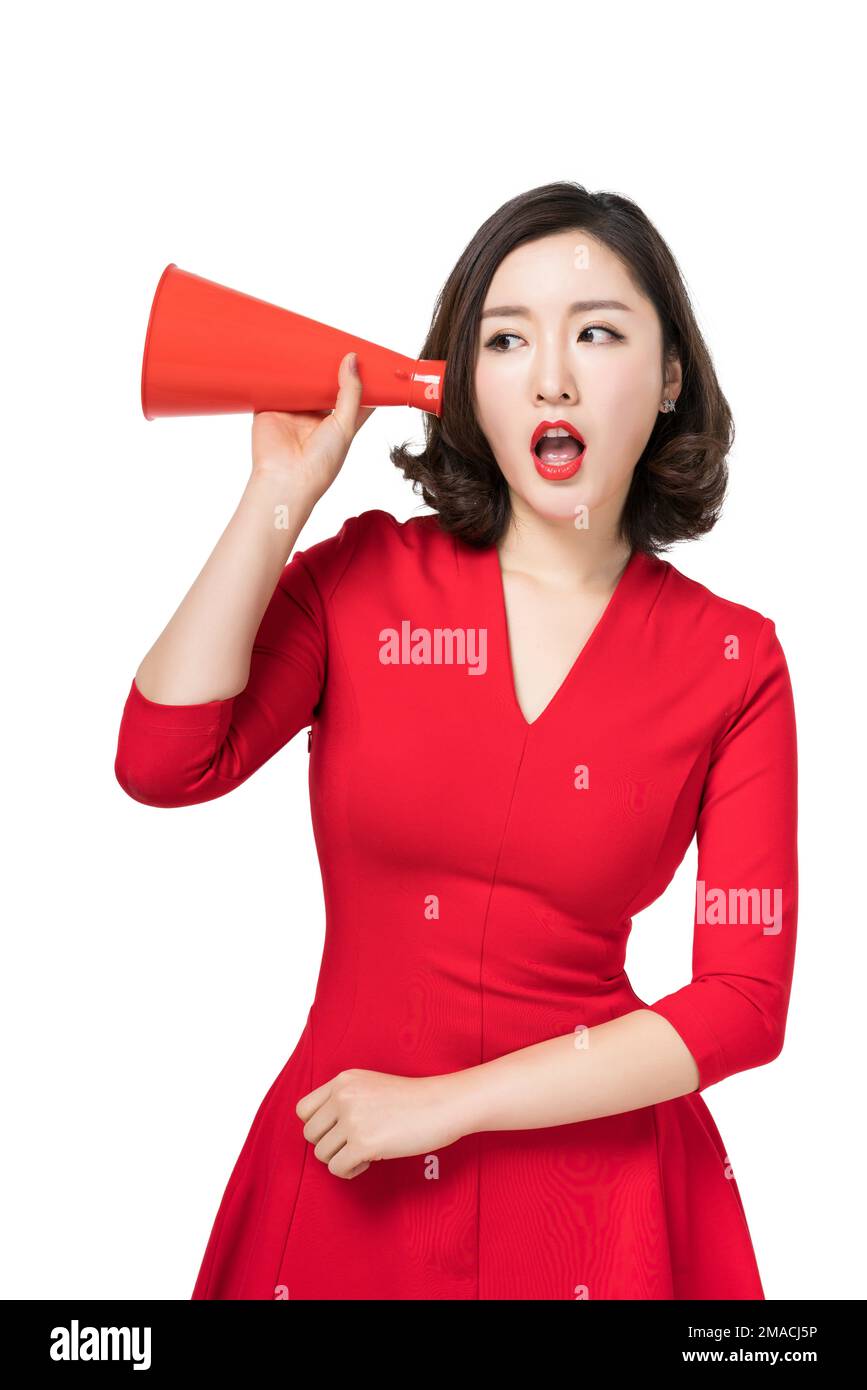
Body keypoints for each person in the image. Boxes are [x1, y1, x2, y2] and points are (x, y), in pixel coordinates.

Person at [114, 182, 798, 1300]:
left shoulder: (733, 659)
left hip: (594, 1203)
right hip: (346, 1169)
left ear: (671, 376)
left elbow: (743, 1004)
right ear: (464, 384)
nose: (552, 377)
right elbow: (162, 761)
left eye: (596, 333)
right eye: (506, 339)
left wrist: (448, 1106)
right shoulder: (363, 578)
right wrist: (278, 497)